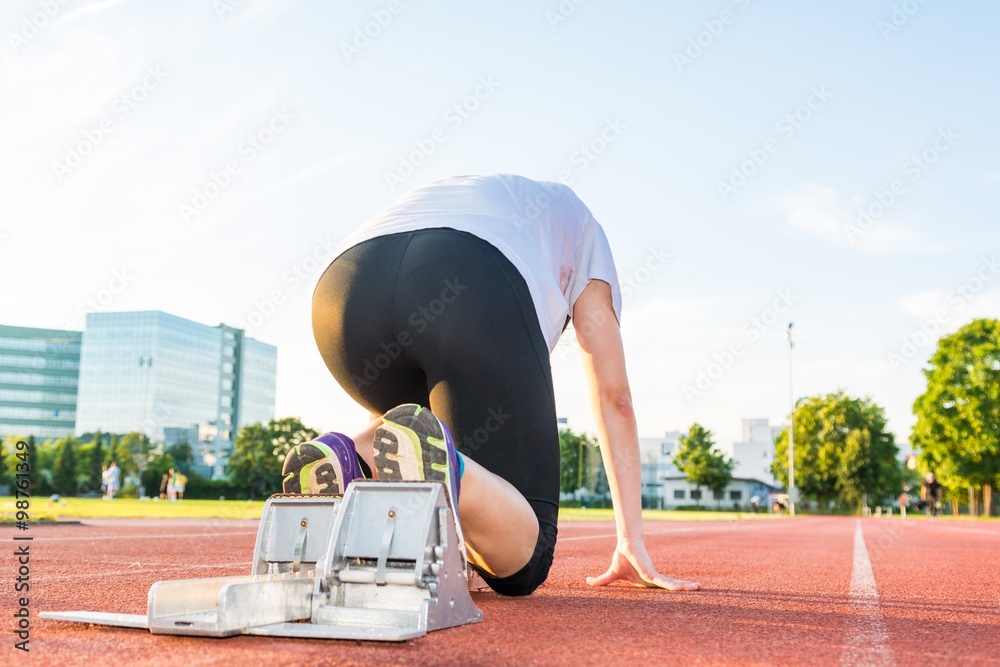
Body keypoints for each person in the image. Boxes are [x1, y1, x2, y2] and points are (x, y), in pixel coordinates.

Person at [283, 174, 699, 596]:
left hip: (343, 291)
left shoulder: (461, 192)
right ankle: (451, 474)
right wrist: (631, 541)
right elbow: (616, 398)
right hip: (468, 273)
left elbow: (402, 414)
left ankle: (351, 456)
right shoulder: (582, 226)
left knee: (413, 432)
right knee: (527, 560)